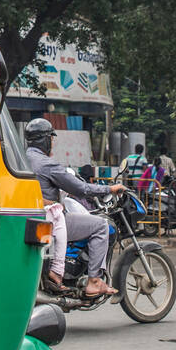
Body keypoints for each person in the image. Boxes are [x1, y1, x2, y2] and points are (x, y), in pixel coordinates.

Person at [24, 118, 127, 297]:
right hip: (48, 219)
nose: (52, 144)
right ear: (45, 140)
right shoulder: (47, 164)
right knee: (101, 226)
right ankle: (94, 281)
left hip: (27, 218)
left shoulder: (21, 159)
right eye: (51, 139)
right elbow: (81, 189)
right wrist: (109, 189)